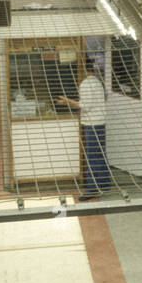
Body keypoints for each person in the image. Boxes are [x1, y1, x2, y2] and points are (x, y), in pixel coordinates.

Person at [56, 56, 111, 198]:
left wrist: (67, 101)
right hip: (100, 122)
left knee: (92, 156)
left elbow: (85, 105)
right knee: (100, 154)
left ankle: (92, 189)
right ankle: (105, 182)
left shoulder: (86, 84)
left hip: (92, 124)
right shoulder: (97, 82)